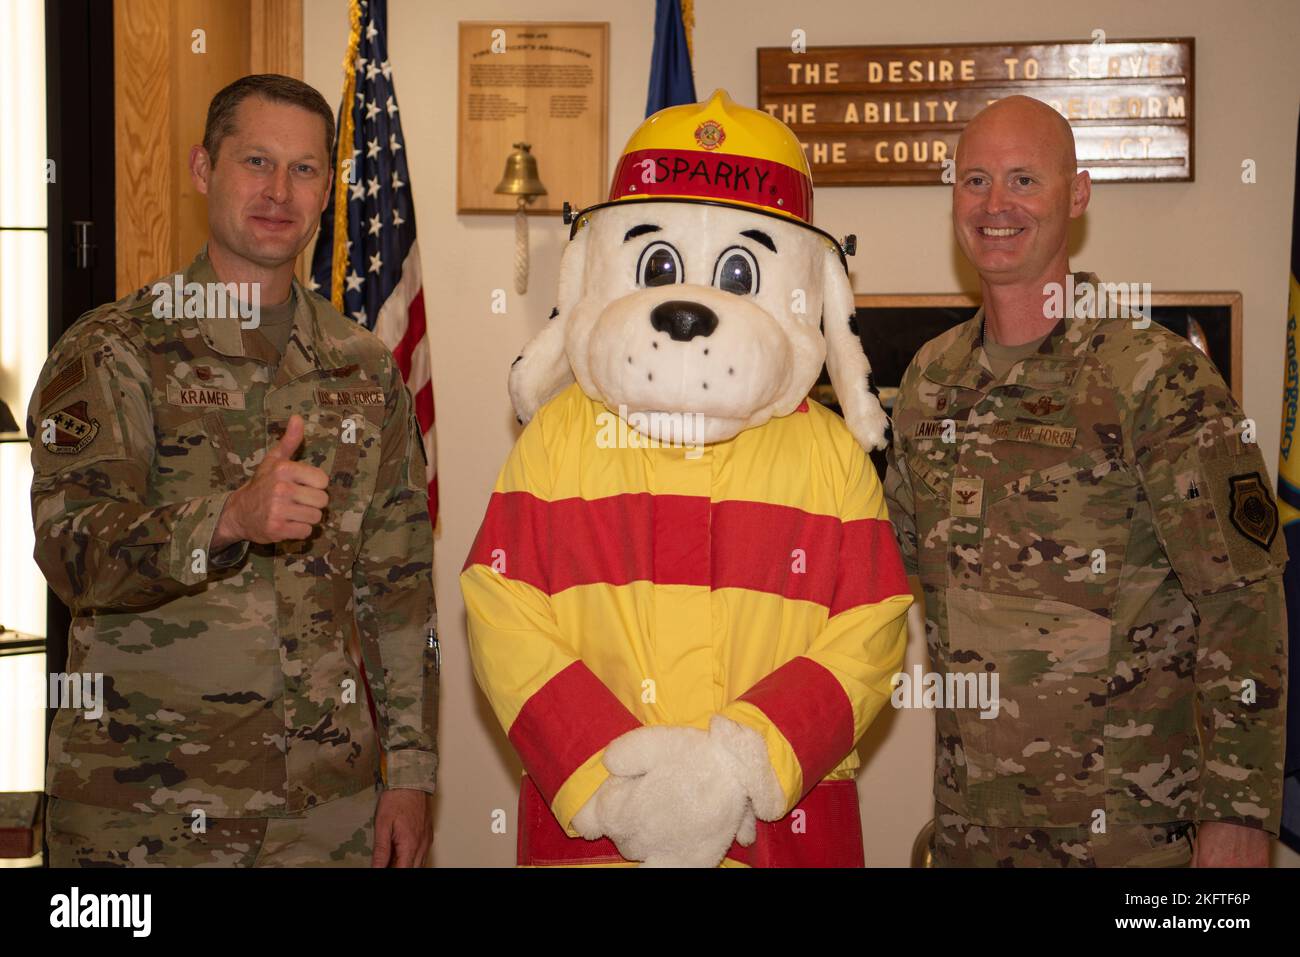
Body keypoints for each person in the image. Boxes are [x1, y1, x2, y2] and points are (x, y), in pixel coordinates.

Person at [28, 74, 437, 867]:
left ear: (327, 192)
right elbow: (73, 553)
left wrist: (412, 775)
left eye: (305, 169)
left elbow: (398, 588)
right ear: (201, 170)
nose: (279, 191)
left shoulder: (363, 367)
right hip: (146, 811)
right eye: (255, 161)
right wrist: (228, 520)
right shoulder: (114, 348)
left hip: (324, 813)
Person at [884, 95, 1288, 867]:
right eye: (974, 180)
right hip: (972, 834)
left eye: (1023, 180)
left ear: (1077, 194)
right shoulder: (931, 380)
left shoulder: (1155, 376)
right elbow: (885, 572)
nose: (995, 205)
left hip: (1131, 841)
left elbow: (1245, 601)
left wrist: (1239, 818)